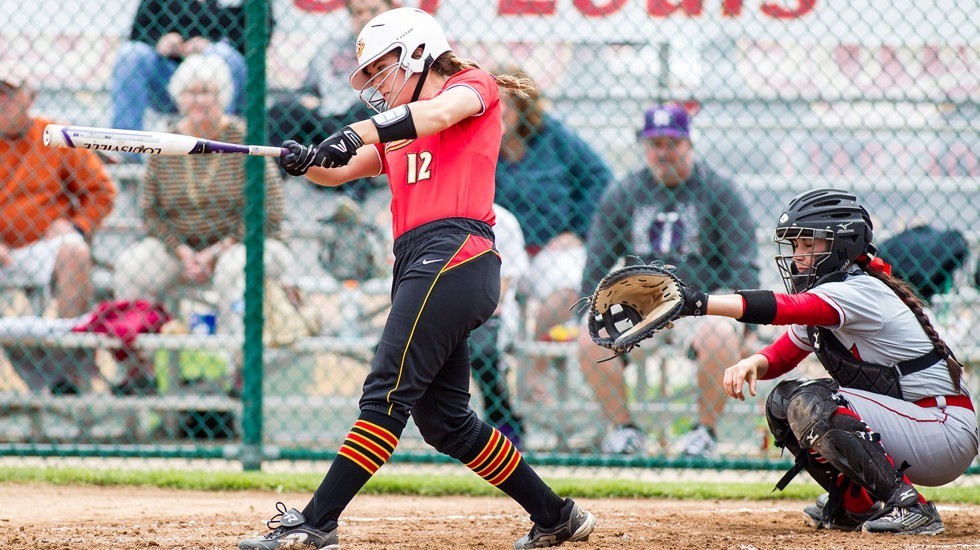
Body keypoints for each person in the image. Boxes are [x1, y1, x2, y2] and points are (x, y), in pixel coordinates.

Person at [238, 8, 595, 549]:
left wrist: (352, 130)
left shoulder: (469, 86)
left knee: (383, 394)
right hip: (418, 263)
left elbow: (435, 115)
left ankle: (317, 522)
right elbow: (339, 170)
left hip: (457, 252)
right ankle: (556, 515)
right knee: (446, 422)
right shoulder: (399, 125)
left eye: (384, 69)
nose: (378, 85)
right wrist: (303, 159)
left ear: (416, 52)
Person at [680, 188, 976, 534]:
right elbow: (782, 355)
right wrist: (755, 363)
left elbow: (786, 310)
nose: (797, 257)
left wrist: (700, 303)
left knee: (815, 401)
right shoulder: (832, 293)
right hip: (913, 425)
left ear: (842, 246)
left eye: (809, 245)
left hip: (941, 428)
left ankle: (911, 506)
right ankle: (856, 506)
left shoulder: (858, 290)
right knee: (782, 401)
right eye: (796, 247)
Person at [576, 104, 760, 457]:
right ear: (645, 146)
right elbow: (596, 261)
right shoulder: (625, 192)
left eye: (671, 143)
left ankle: (702, 434)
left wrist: (749, 328)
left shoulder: (719, 191)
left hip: (703, 301)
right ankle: (623, 431)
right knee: (589, 340)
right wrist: (585, 310)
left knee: (720, 335)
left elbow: (743, 263)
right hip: (641, 303)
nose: (663, 152)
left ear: (689, 143)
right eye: (655, 143)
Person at [113, 55, 290, 394]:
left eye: (208, 92)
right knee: (132, 268)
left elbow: (269, 210)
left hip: (242, 243)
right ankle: (139, 368)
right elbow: (151, 212)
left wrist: (215, 252)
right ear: (179, 98)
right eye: (191, 92)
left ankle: (238, 371)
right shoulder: (165, 144)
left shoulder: (243, 139)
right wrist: (182, 252)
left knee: (234, 269)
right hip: (181, 247)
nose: (199, 100)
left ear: (222, 96)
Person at [492, 67, 613, 401]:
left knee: (569, 288)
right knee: (491, 316)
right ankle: (499, 399)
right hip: (499, 253)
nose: (498, 110)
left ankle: (534, 372)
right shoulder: (477, 142)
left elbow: (599, 177)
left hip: (550, 248)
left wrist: (579, 230)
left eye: (506, 103)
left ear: (523, 107)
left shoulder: (553, 138)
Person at [1, 62, 116, 393]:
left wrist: (78, 226)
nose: (2, 102)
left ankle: (68, 370)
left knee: (75, 251)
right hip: (3, 250)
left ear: (30, 97)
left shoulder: (54, 134)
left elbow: (102, 192)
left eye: (9, 94)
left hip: (44, 246)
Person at [267, 0, 393, 204]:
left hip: (370, 126)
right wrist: (306, 99)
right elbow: (307, 89)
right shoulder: (330, 48)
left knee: (360, 112)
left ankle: (353, 200)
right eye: (358, 12)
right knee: (283, 110)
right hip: (326, 122)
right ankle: (268, 192)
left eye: (373, 10)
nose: (364, 17)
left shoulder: (398, 51)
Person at [109, 0, 273, 138]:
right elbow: (139, 30)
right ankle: (124, 147)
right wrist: (159, 41)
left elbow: (261, 36)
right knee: (131, 53)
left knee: (219, 53)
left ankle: (222, 145)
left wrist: (211, 44)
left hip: (224, 76)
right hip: (170, 76)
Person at [469, 203, 529, 449]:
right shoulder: (435, 212)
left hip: (490, 310)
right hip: (442, 307)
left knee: (482, 354)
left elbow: (505, 280)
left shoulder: (502, 219)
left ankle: (501, 421)